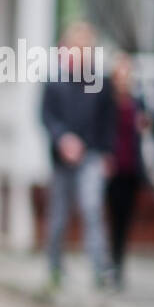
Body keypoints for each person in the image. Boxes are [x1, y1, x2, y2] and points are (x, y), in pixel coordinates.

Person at [39, 20, 116, 291]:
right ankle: (55, 267)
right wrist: (63, 139)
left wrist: (107, 153)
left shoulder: (101, 84)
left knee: (91, 207)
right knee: (58, 215)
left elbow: (108, 121)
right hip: (62, 160)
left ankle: (99, 269)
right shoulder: (55, 83)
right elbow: (46, 116)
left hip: (92, 156)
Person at [103, 52, 154, 290]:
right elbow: (96, 128)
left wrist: (147, 122)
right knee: (108, 218)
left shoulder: (138, 101)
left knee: (124, 220)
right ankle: (107, 265)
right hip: (110, 169)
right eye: (121, 72)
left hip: (131, 169)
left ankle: (118, 266)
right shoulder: (105, 99)